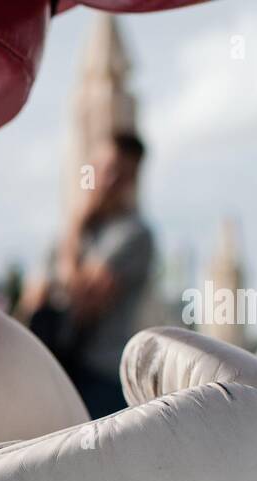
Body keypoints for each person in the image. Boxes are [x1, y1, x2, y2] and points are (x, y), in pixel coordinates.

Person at [18, 133, 157, 417]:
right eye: (105, 169)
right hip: (53, 371)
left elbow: (83, 301)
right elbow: (31, 301)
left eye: (121, 174)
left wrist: (75, 227)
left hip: (101, 378)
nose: (109, 181)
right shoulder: (69, 233)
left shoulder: (134, 234)